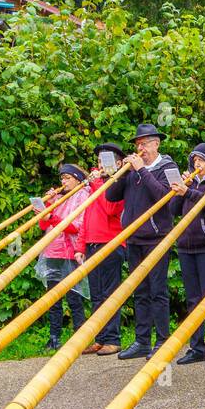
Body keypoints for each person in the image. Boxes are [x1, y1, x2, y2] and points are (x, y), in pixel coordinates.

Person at [106, 123, 179, 359]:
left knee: (158, 290)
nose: (141, 148)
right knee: (140, 291)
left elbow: (164, 197)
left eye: (145, 143)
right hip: (134, 238)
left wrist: (142, 170)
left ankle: (163, 341)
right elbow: (111, 196)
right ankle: (142, 341)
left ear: (157, 144)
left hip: (157, 237)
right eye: (138, 144)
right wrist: (121, 173)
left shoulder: (168, 166)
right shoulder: (132, 170)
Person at [169, 144, 205, 367]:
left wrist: (189, 192)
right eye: (194, 160)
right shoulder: (190, 182)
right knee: (193, 299)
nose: (196, 165)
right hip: (186, 245)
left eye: (201, 160)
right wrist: (180, 189)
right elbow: (174, 210)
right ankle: (196, 347)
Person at [36, 164, 91, 352]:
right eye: (62, 178)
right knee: (53, 299)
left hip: (70, 252)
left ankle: (79, 338)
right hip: (52, 252)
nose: (63, 182)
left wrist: (51, 216)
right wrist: (47, 206)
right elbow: (44, 227)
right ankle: (54, 338)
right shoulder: (59, 198)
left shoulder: (83, 195)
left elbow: (75, 226)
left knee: (74, 298)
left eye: (67, 178)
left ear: (77, 178)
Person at [80, 142, 127, 355]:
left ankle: (113, 339)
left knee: (110, 293)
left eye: (104, 161)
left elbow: (110, 208)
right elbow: (86, 216)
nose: (100, 165)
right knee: (97, 294)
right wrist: (82, 245)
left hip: (111, 242)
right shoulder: (96, 185)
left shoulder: (117, 182)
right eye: (98, 161)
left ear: (117, 163)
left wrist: (97, 182)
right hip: (92, 243)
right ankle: (100, 337)